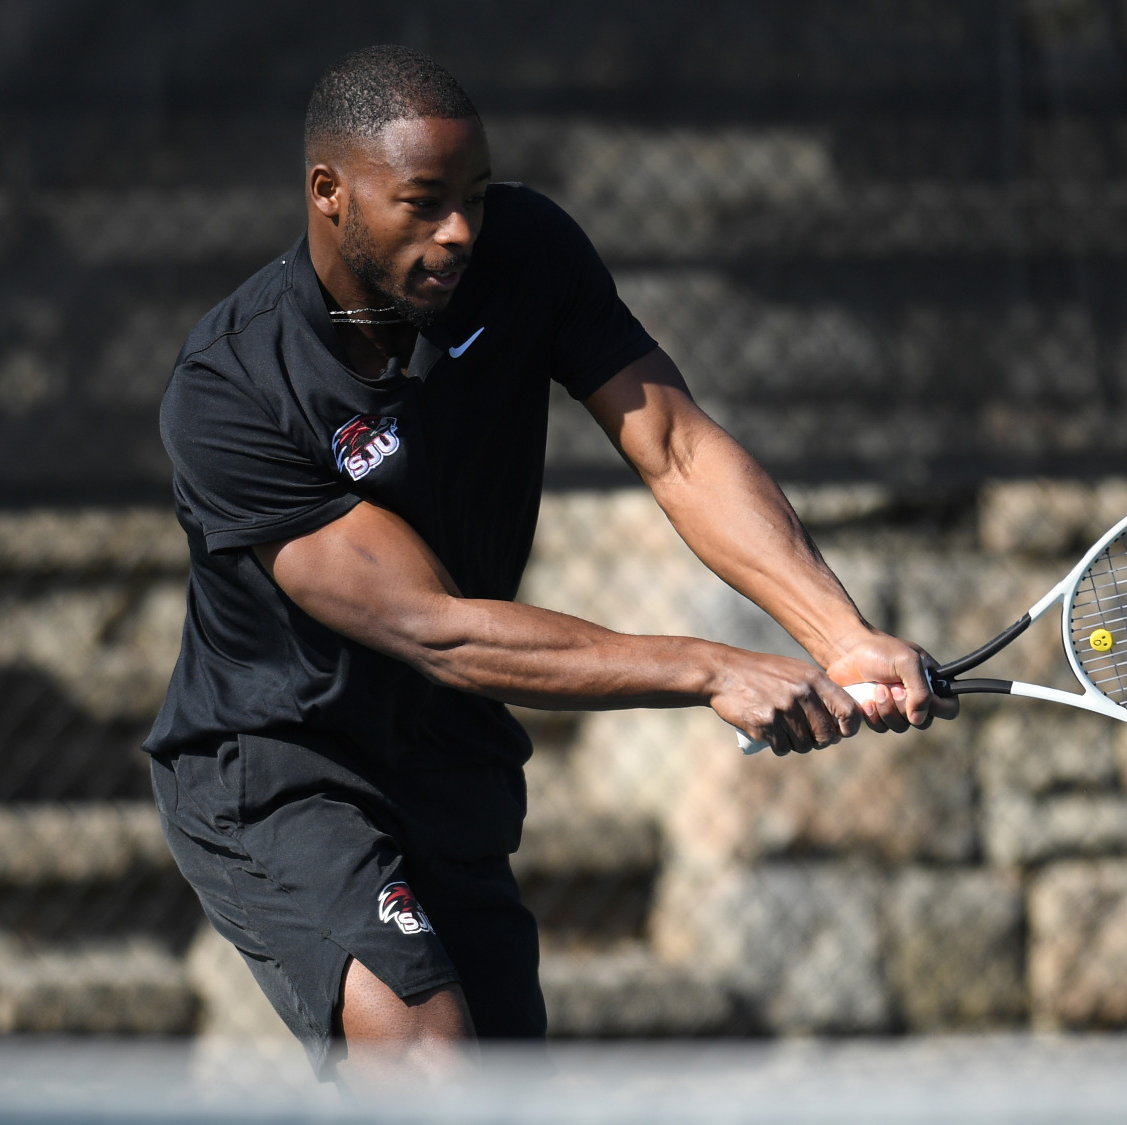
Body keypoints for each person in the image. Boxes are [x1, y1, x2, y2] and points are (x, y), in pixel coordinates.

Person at [144, 45, 957, 1088]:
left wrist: (839, 637)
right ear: (327, 193)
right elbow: (437, 628)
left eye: (475, 199)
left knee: (498, 1093)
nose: (459, 233)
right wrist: (711, 669)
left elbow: (675, 446)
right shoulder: (231, 391)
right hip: (281, 764)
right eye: (423, 204)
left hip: (446, 759)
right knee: (427, 1063)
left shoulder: (526, 253)